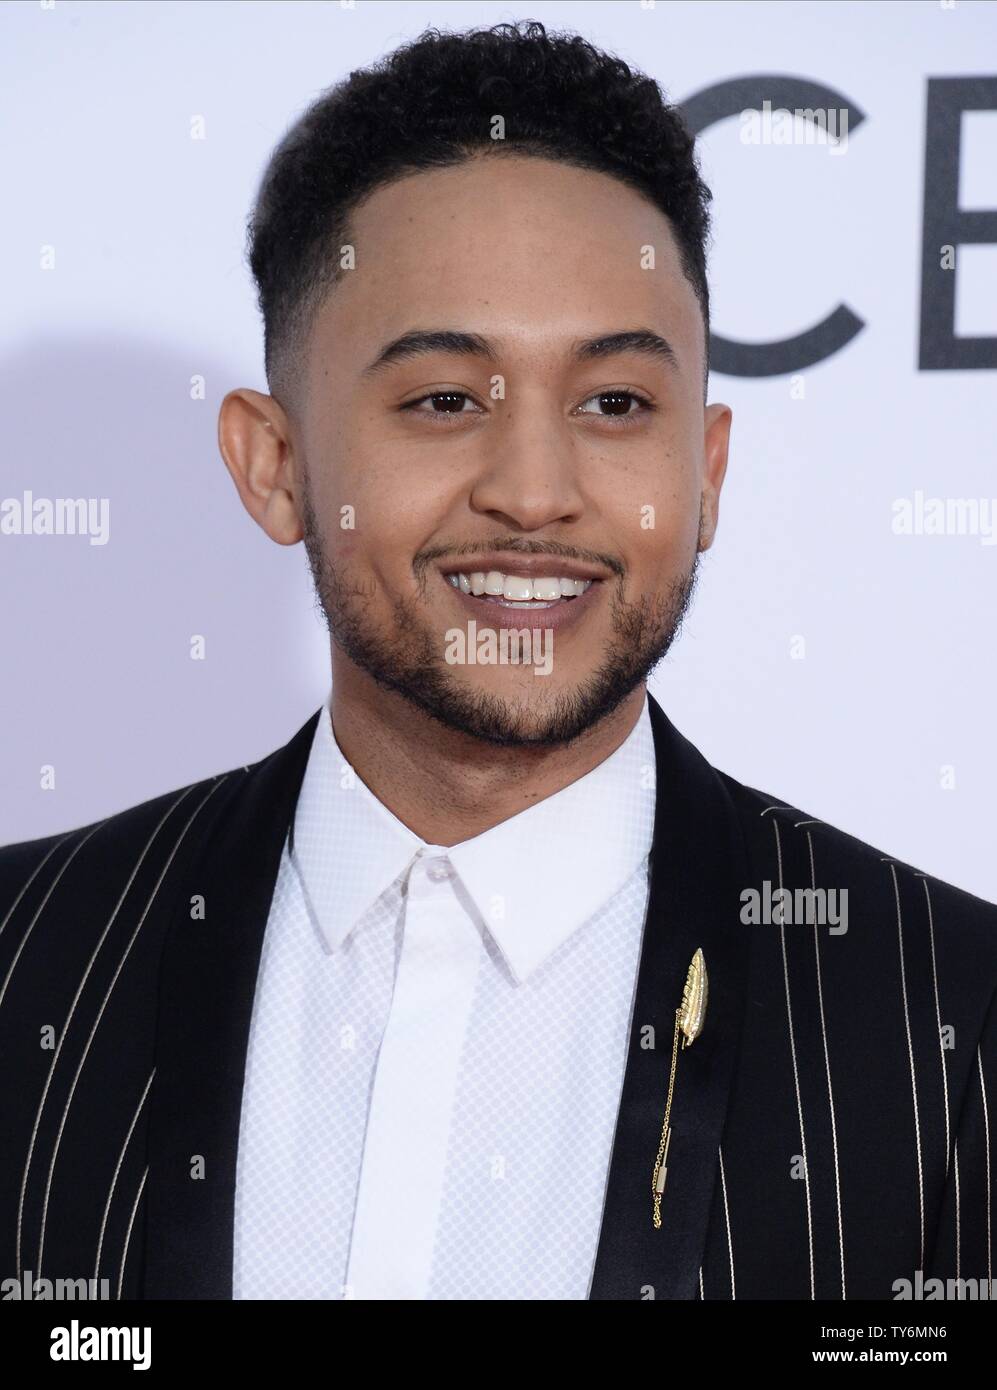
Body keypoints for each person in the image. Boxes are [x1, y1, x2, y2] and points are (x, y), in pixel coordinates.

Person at [1, 20, 993, 1302]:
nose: (535, 493)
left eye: (615, 405)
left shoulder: (948, 1026)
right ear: (275, 463)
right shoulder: (31, 958)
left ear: (706, 472)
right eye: (445, 400)